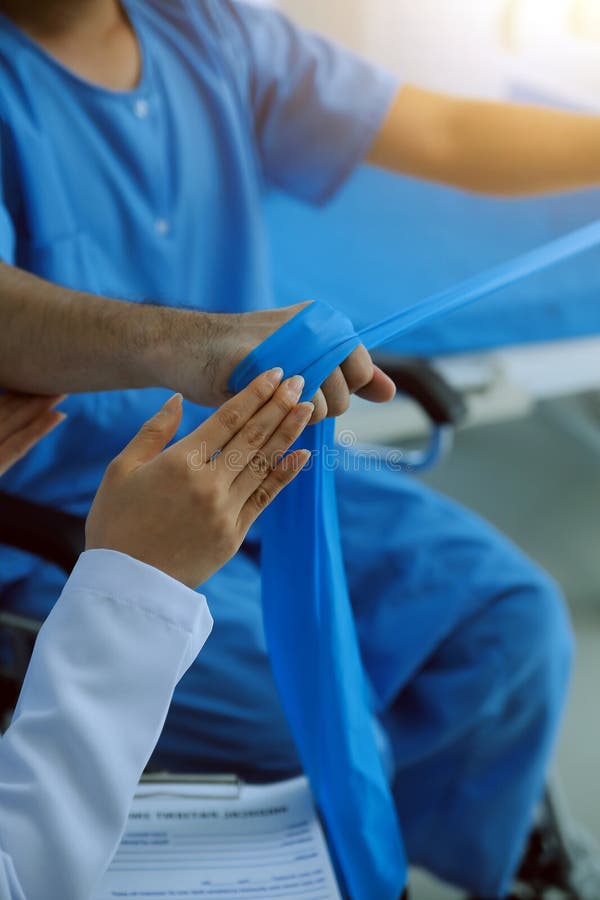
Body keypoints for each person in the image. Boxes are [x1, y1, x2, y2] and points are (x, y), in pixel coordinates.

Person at [0, 0, 597, 895]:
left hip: (274, 460)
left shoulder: (208, 30)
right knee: (306, 723)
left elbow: (441, 130)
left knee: (508, 624)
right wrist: (187, 343)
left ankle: (450, 862)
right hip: (69, 512)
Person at [0, 373, 313, 900]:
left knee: (495, 616)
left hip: (176, 432)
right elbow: (31, 871)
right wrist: (135, 580)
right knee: (316, 721)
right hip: (80, 501)